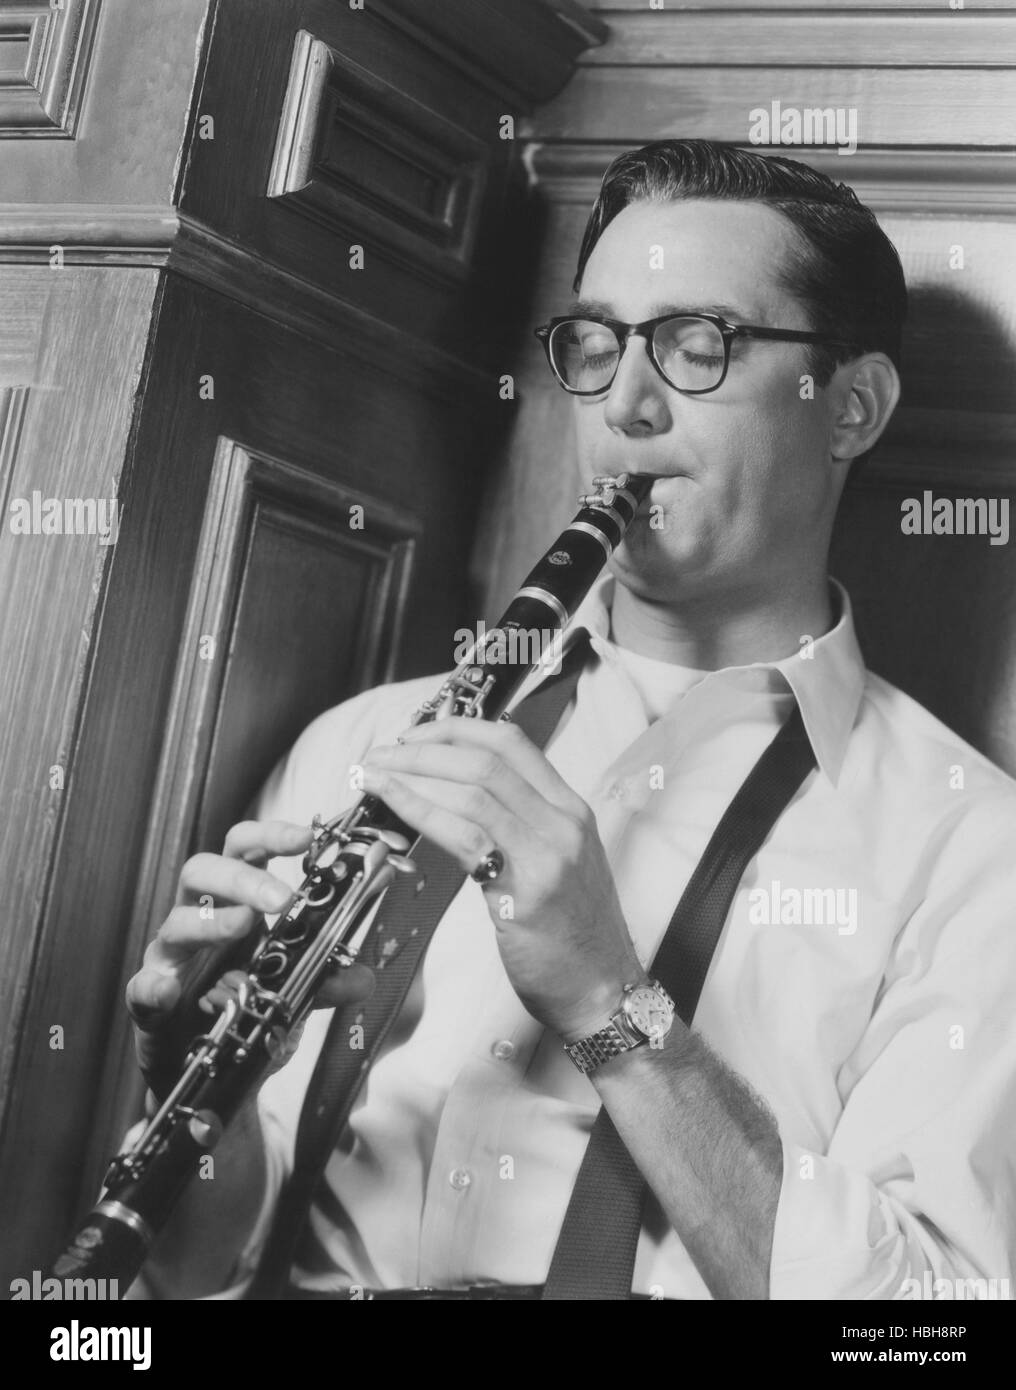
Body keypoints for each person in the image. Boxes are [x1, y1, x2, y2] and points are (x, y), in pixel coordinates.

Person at [124, 140, 1016, 1301]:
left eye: (699, 346)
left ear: (848, 405)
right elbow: (204, 1272)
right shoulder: (369, 747)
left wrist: (609, 1001)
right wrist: (193, 1104)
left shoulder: (971, 855)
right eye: (596, 347)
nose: (624, 406)